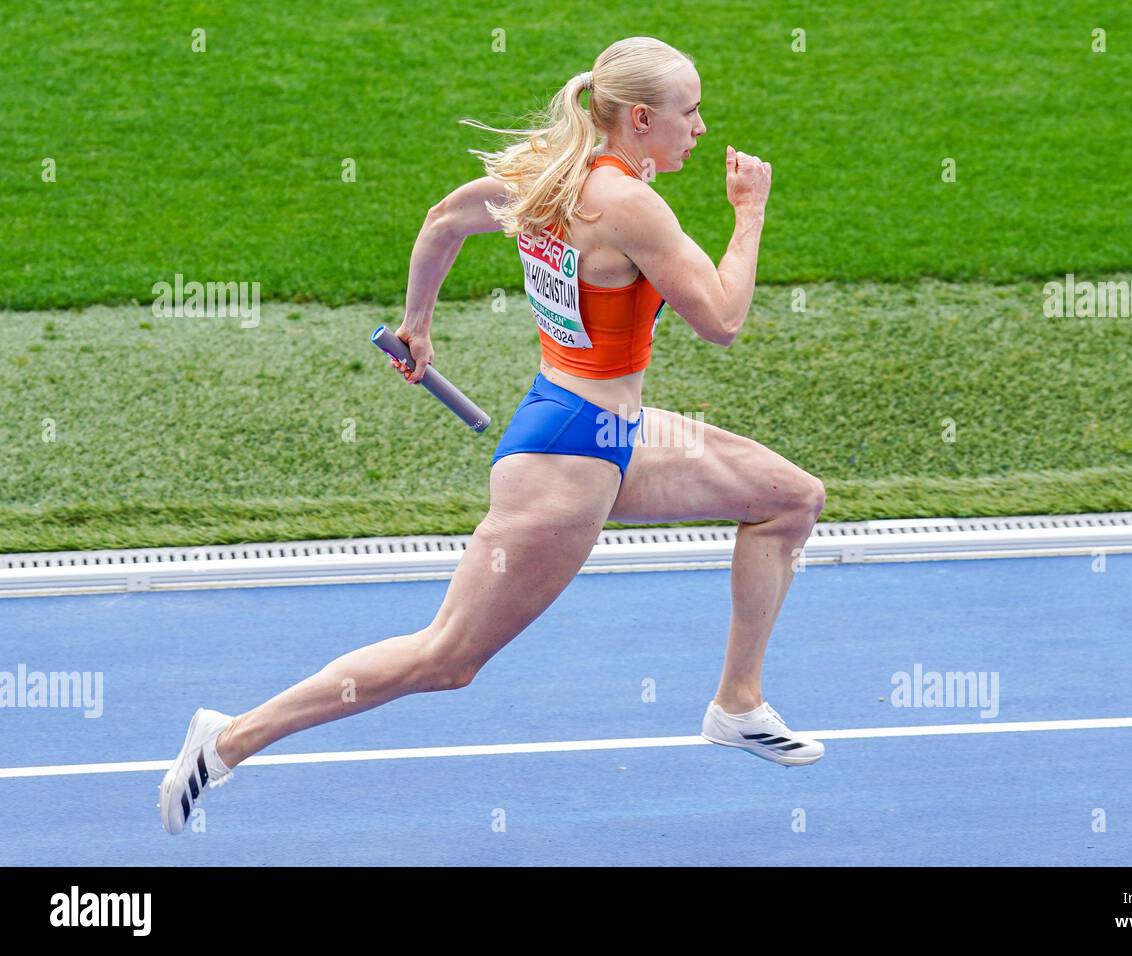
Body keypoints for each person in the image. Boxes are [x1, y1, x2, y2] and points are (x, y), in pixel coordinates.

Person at [159, 36, 826, 836]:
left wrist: (417, 325)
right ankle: (227, 740)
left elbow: (444, 219)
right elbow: (721, 320)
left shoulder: (548, 172)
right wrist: (749, 214)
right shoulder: (626, 204)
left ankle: (737, 702)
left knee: (790, 499)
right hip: (566, 458)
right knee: (446, 657)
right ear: (641, 118)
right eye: (689, 112)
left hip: (609, 430)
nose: (700, 126)